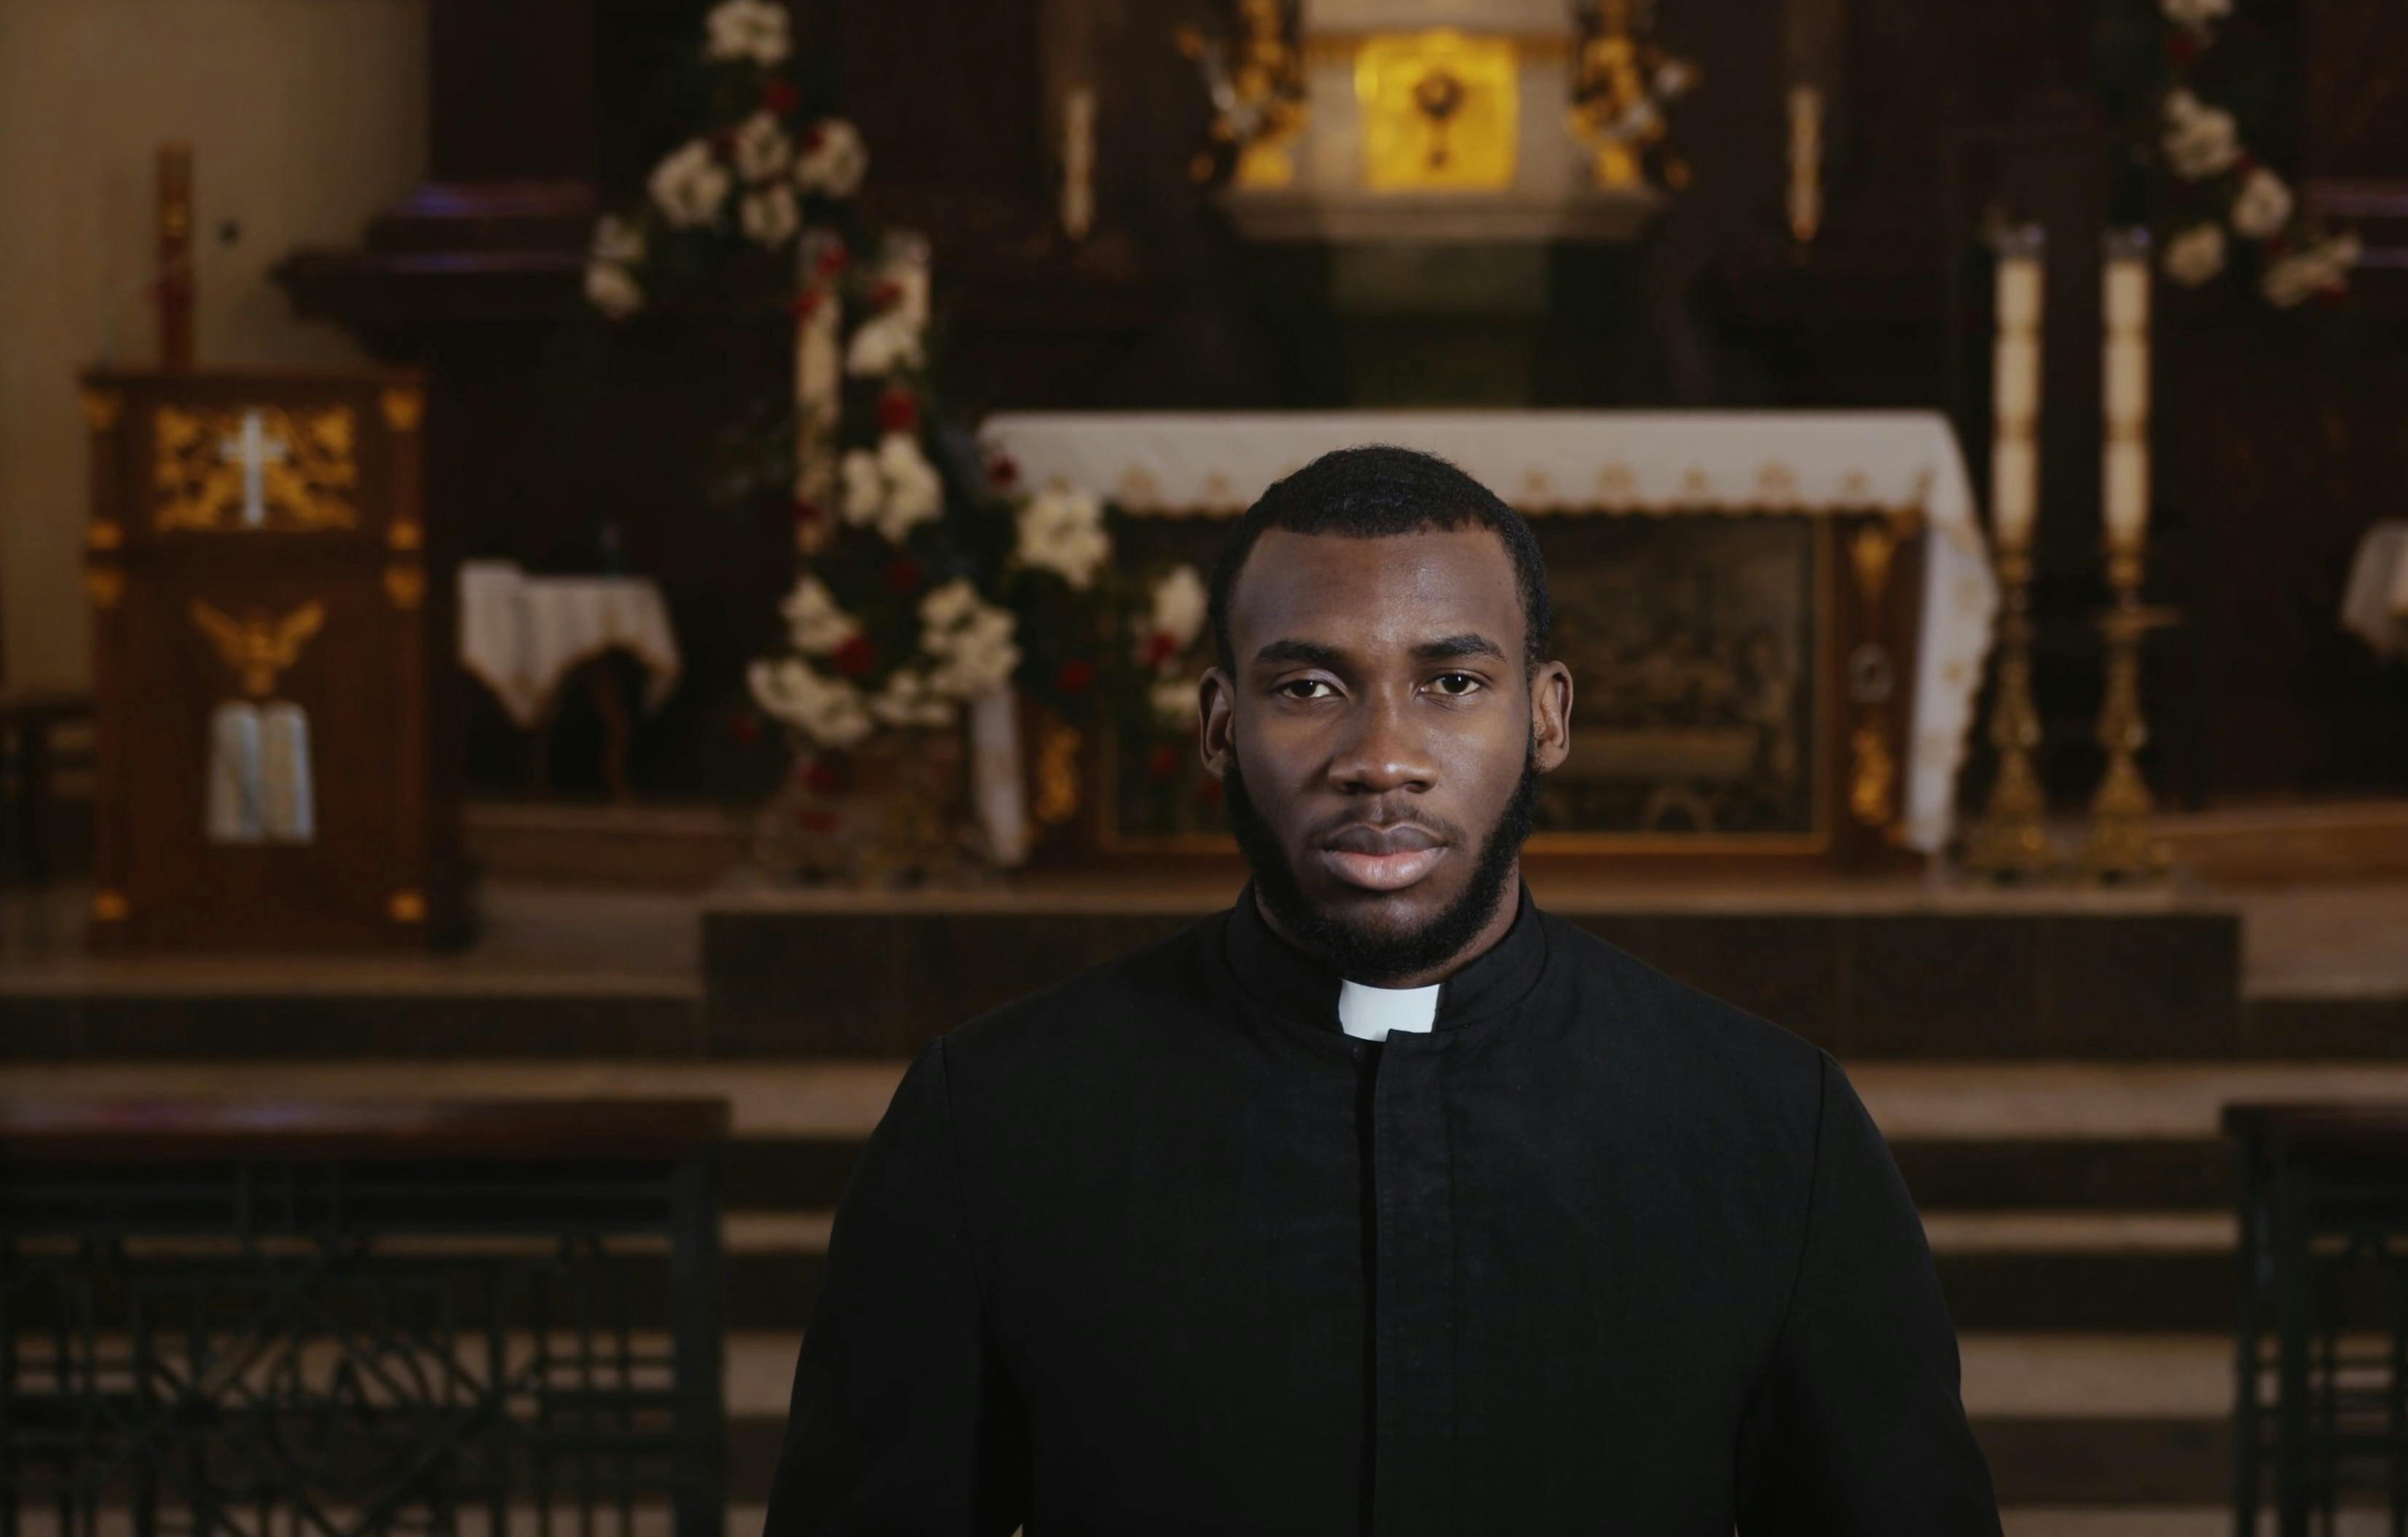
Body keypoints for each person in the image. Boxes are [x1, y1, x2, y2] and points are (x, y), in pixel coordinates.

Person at [765, 446, 2002, 1535]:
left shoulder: (1777, 1129)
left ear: (1549, 716)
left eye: (1453, 683)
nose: (1383, 759)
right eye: (1308, 687)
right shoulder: (987, 1123)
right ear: (1216, 725)